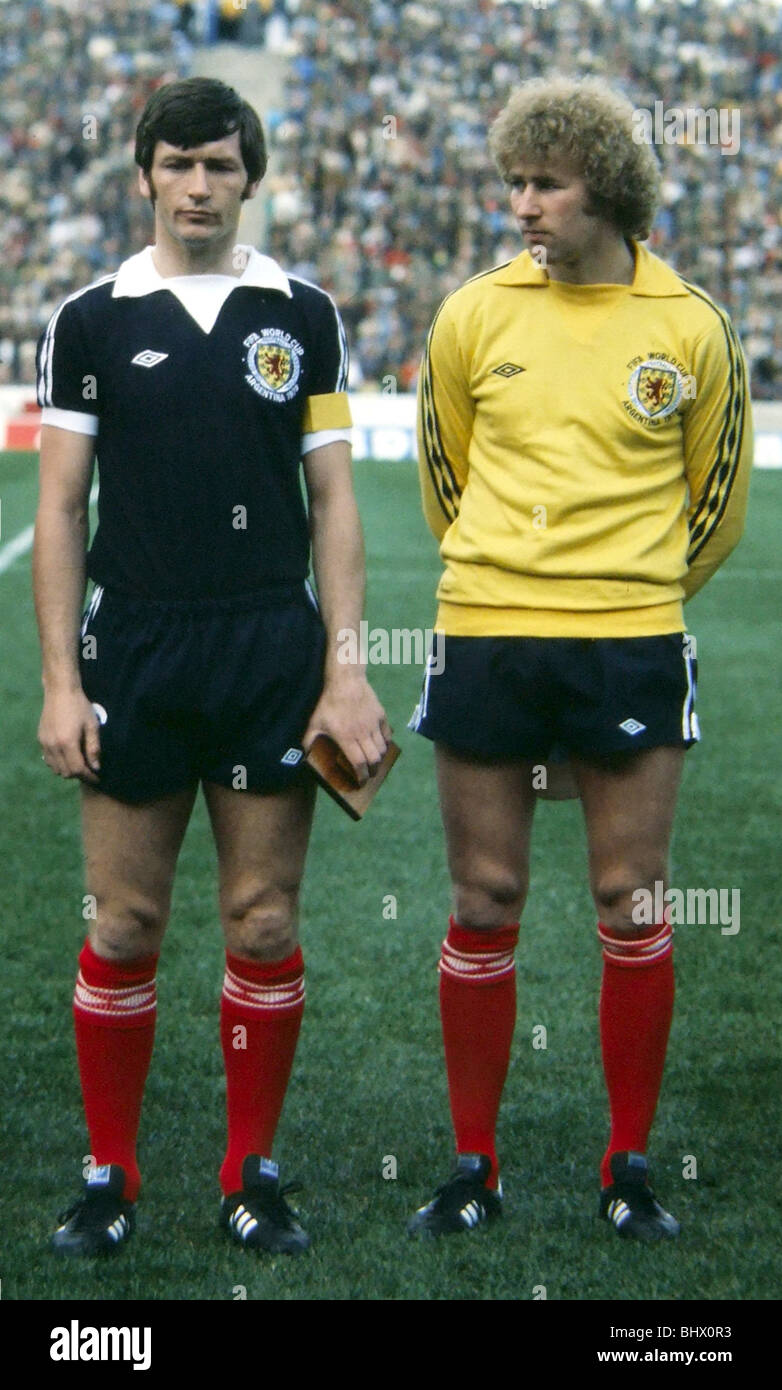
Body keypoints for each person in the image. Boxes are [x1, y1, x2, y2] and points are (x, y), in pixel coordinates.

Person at [34, 76, 389, 1257]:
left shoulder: (303, 313)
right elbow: (62, 507)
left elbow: (333, 501)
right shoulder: (91, 319)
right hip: (133, 642)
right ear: (144, 174)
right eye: (177, 162)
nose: (197, 185)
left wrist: (345, 668)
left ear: (250, 178)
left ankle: (251, 1173)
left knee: (261, 918)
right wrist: (57, 682)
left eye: (220, 165)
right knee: (127, 923)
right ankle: (109, 1174)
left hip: (264, 643)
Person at [408, 75, 752, 1241]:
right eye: (512, 182)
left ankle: (627, 1165)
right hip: (489, 629)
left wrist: (627, 586)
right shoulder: (470, 315)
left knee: (627, 898)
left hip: (629, 641)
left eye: (542, 184)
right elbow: (442, 478)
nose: (520, 206)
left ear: (602, 188)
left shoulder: (692, 325)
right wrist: (507, 581)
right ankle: (471, 1163)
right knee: (483, 896)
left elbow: (714, 507)